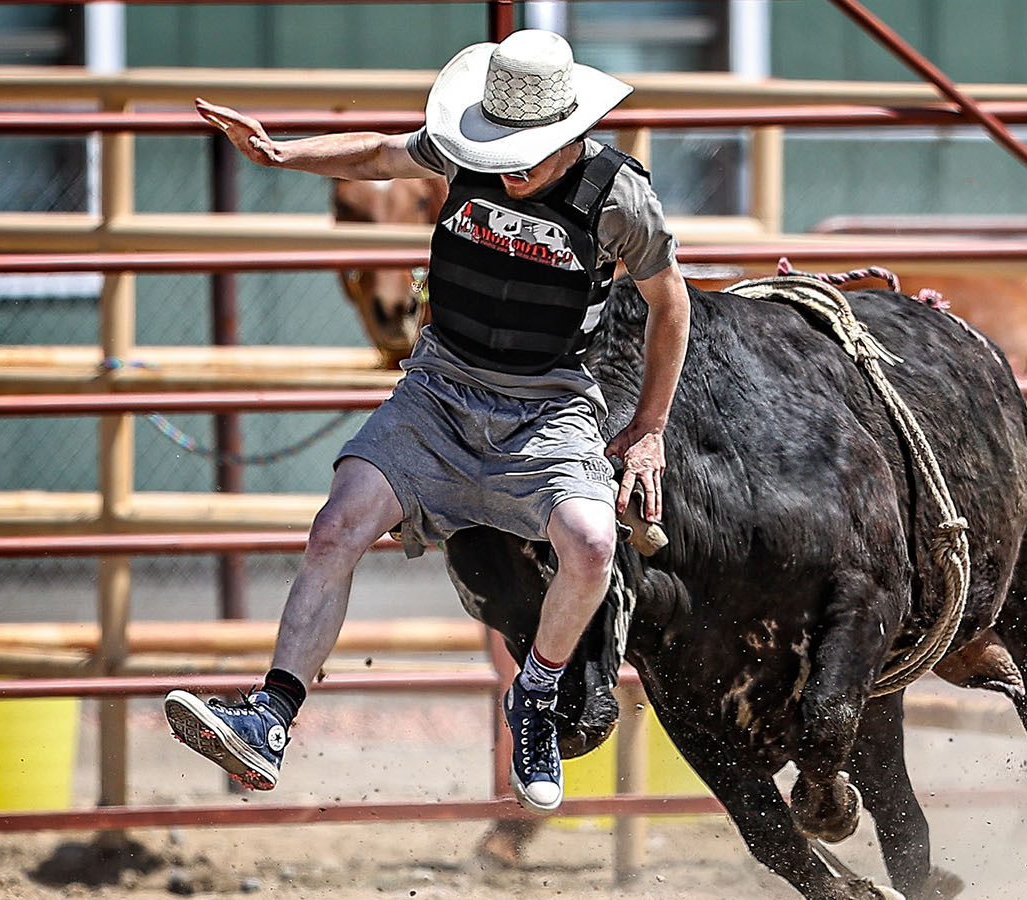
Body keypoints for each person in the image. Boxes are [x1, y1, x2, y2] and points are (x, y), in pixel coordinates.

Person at [163, 29, 690, 816]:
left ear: (572, 136)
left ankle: (536, 701)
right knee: (336, 524)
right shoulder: (464, 151)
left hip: (546, 407)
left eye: (531, 156)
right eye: (502, 151)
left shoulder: (617, 196)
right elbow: (377, 154)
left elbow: (669, 303)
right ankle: (270, 716)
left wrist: (648, 428)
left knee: (592, 542)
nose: (510, 169)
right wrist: (281, 154)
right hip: (438, 394)